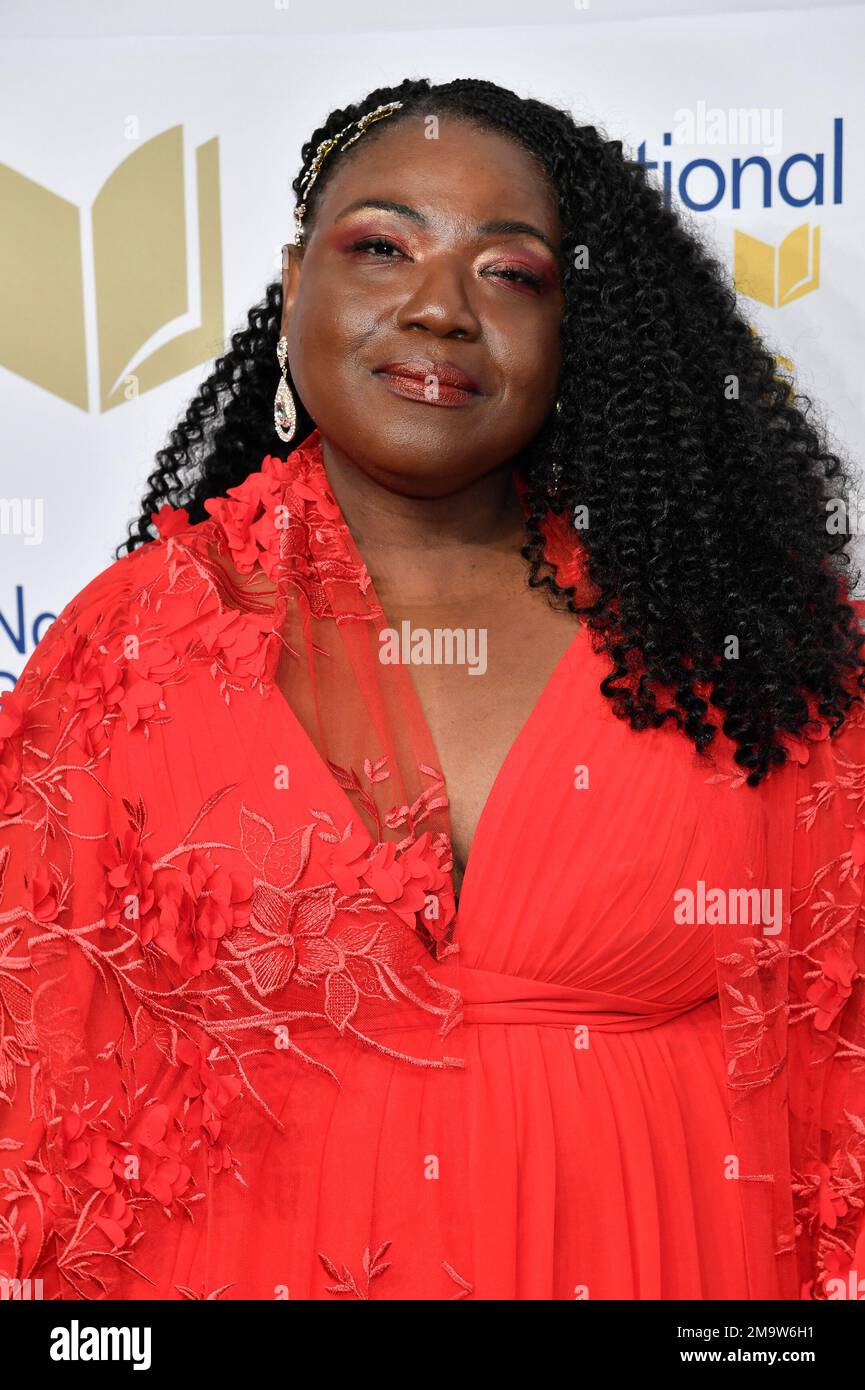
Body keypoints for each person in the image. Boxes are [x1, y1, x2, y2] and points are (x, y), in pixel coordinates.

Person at [2, 75, 865, 1302]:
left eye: (509, 273)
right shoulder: (126, 646)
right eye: (380, 247)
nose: (438, 307)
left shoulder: (747, 646)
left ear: (582, 332)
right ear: (296, 280)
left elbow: (843, 1058)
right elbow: (30, 1087)